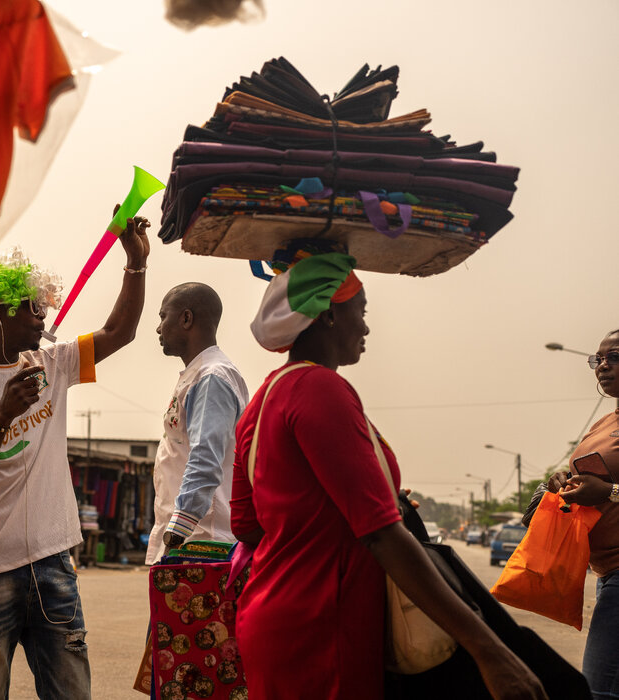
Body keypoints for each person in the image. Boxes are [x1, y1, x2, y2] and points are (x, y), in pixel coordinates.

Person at [230, 252, 545, 700]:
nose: (366, 328)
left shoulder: (263, 401)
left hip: (272, 616)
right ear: (329, 315)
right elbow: (381, 535)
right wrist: (490, 651)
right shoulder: (320, 388)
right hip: (324, 626)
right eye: (361, 312)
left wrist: (341, 514)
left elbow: (247, 524)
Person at [0, 214, 149, 700]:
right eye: (33, 308)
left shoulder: (53, 363)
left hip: (53, 564)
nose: (44, 318)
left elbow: (120, 330)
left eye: (45, 308)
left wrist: (135, 263)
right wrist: (2, 414)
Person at [540, 329, 619, 699]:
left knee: (598, 690)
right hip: (606, 572)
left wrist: (609, 492)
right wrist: (564, 481)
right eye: (597, 359)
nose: (602, 366)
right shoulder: (605, 423)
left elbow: (608, 489)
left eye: (614, 357)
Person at [145, 282, 248, 564]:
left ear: (186, 318)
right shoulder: (201, 374)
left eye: (163, 316)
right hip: (193, 540)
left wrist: (177, 533)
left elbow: (205, 458)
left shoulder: (211, 377)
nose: (158, 328)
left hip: (201, 544)